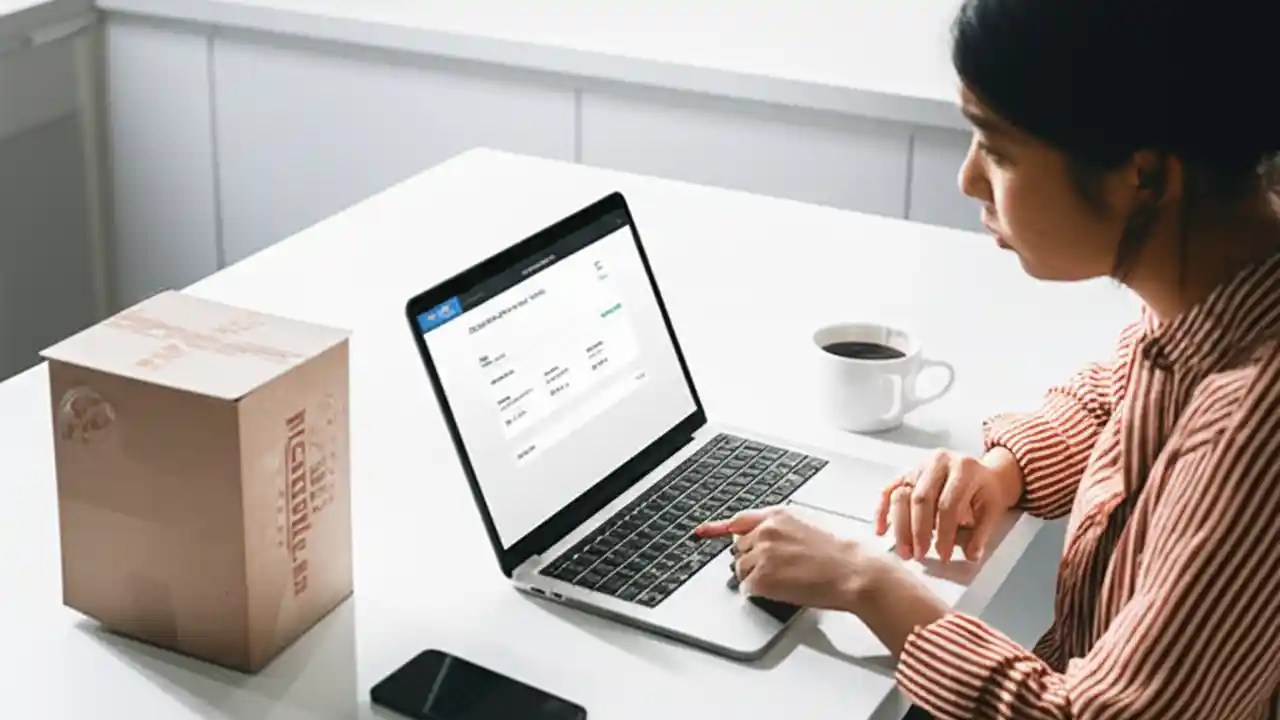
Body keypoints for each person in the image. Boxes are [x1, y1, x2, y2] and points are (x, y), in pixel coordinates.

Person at [696, 0, 1280, 717]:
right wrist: (1006, 471)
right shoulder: (1226, 275)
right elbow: (1124, 393)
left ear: (1145, 176)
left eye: (997, 150)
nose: (968, 180)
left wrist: (866, 583)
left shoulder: (1254, 426)